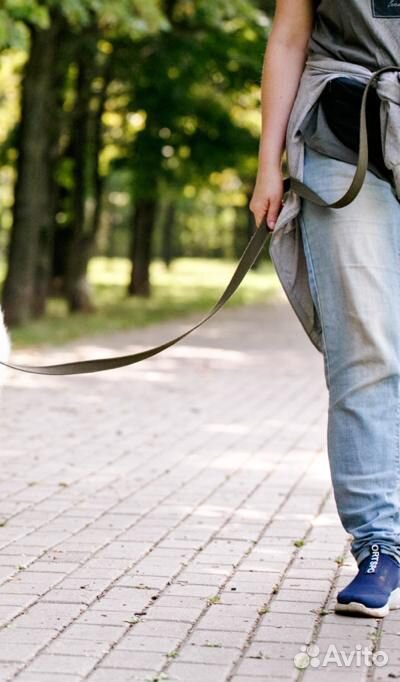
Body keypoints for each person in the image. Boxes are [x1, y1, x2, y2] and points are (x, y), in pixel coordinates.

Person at [251, 0, 400, 617]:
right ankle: (380, 546)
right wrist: (269, 165)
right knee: (365, 346)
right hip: (343, 132)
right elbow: (289, 36)